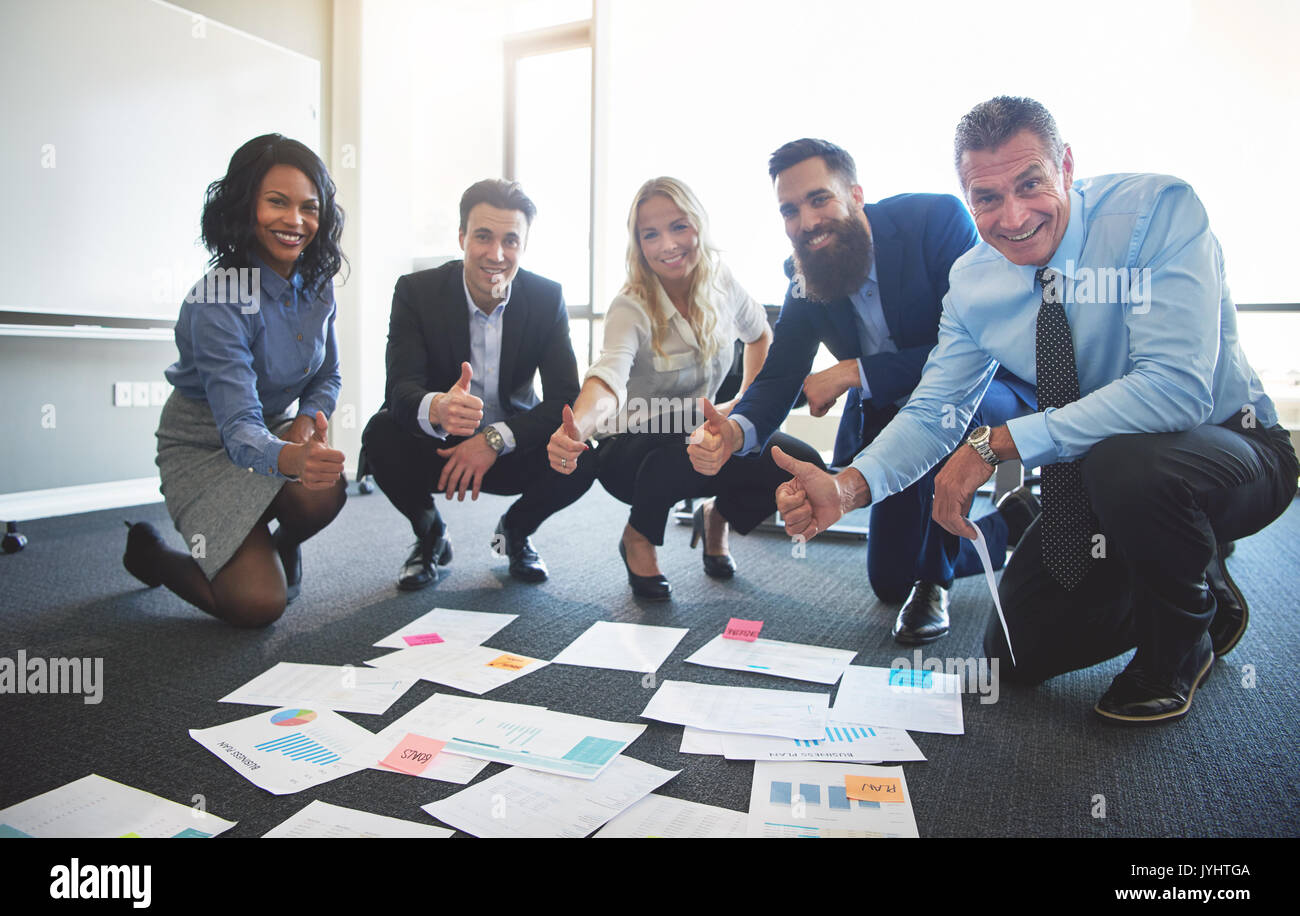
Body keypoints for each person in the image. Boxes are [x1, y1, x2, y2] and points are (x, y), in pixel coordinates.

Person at [773, 97, 1298, 724]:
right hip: (1095, 485)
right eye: (987, 198)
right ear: (967, 197)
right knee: (1017, 654)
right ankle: (1191, 574)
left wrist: (998, 442)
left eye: (1030, 184)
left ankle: (1180, 641)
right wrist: (847, 487)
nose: (1014, 217)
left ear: (1066, 166)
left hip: (1227, 452)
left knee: (1127, 464)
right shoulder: (973, 283)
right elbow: (936, 409)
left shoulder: (1157, 212)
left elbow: (1175, 391)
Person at [688, 139, 1038, 643]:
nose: (807, 222)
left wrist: (857, 371)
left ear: (855, 195)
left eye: (819, 199)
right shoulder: (807, 273)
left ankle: (935, 583)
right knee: (890, 581)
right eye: (790, 210)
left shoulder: (936, 222)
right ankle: (1009, 522)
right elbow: (782, 373)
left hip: (987, 389)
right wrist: (736, 430)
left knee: (957, 411)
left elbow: (973, 346)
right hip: (894, 422)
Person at [545, 177, 823, 600]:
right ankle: (638, 536)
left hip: (700, 436)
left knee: (799, 461)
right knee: (683, 438)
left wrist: (747, 406)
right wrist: (577, 428)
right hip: (631, 451)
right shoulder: (629, 306)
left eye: (678, 227)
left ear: (699, 225)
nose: (668, 245)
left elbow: (759, 335)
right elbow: (608, 377)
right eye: (650, 234)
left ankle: (717, 517)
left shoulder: (721, 280)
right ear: (638, 243)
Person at [122, 134, 348, 627]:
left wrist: (307, 421)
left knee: (324, 487)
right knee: (257, 606)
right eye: (277, 202)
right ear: (245, 206)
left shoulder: (318, 282)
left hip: (269, 430)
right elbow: (239, 428)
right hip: (204, 445)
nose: (295, 220)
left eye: (309, 208)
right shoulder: (217, 299)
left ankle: (278, 544)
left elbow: (327, 374)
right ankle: (152, 556)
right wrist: (293, 457)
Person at [361, 179, 594, 589]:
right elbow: (399, 390)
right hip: (439, 446)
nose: (496, 254)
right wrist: (437, 407)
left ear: (524, 245)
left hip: (512, 445)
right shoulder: (417, 292)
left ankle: (514, 533)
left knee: (583, 451)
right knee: (380, 434)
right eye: (483, 236)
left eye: (510, 241)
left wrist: (493, 439)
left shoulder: (546, 298)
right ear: (461, 237)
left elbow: (564, 399)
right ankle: (431, 535)